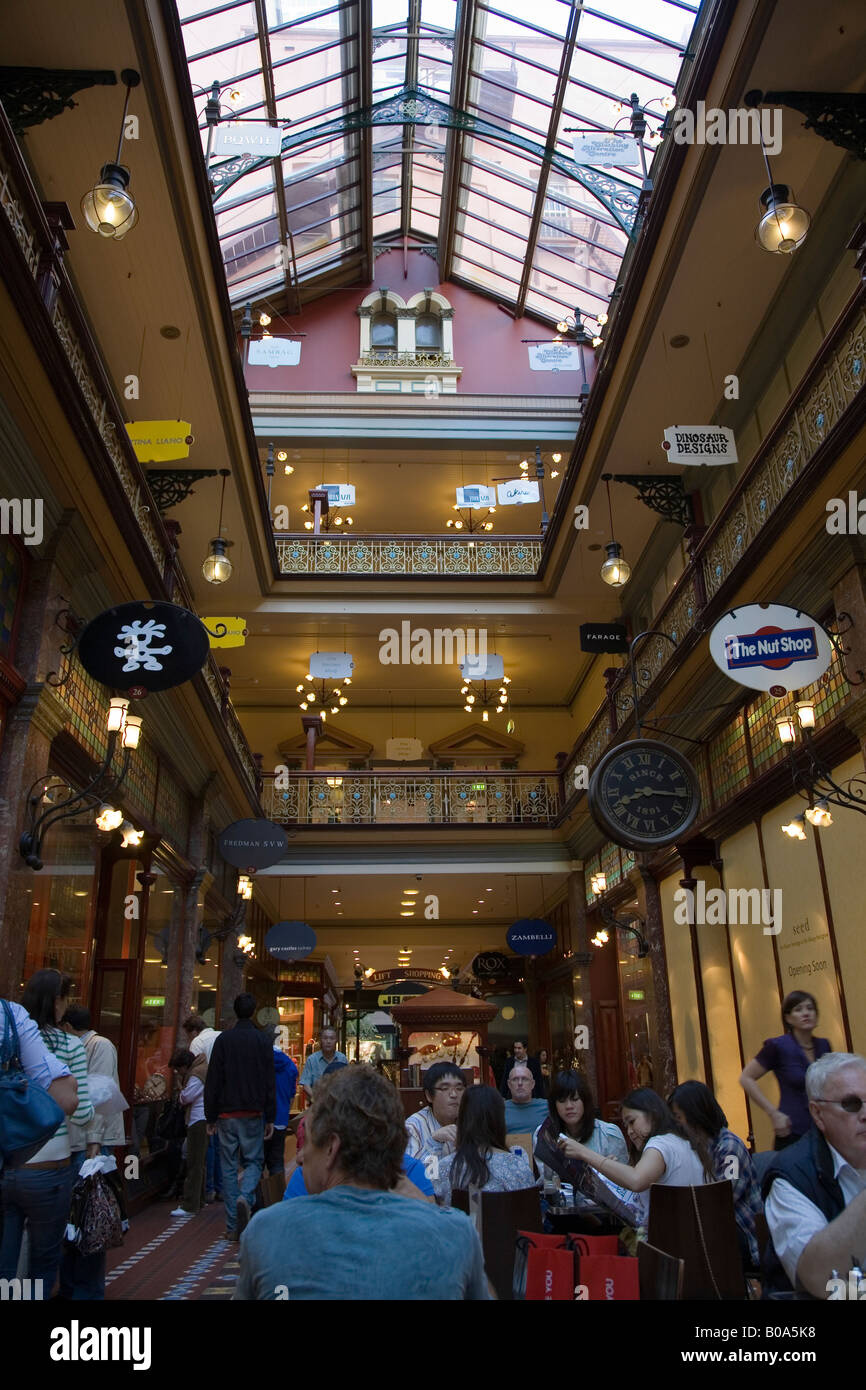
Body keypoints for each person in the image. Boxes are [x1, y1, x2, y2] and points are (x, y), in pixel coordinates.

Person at [233, 1065, 490, 1299]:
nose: (299, 1157)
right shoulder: (456, 1234)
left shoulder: (265, 1232)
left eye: (308, 1143)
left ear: (331, 1148)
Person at [0, 970, 93, 1294]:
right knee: (43, 1260)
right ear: (57, 1001)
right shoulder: (65, 1043)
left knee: (4, 1263)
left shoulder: (11, 1033)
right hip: (47, 1164)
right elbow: (78, 1109)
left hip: (7, 1160)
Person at [762, 1052, 866, 1298]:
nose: (865, 1114)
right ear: (818, 1114)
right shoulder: (790, 1176)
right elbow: (820, 1280)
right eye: (851, 1104)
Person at [557, 1087, 706, 1224]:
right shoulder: (682, 1141)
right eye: (626, 1126)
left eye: (632, 1122)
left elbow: (636, 1179)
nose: (629, 1131)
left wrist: (583, 1152)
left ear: (652, 1113)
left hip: (671, 1240)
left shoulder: (660, 1144)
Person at [61, 1005, 126, 1299]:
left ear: (67, 1026)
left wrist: (94, 1146)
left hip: (89, 1146)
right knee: (72, 1219)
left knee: (90, 1217)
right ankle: (71, 1286)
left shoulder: (99, 1046)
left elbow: (99, 1095)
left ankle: (86, 1291)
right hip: (71, 1143)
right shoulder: (76, 1047)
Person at [203, 994, 275, 1241]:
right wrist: (270, 1116)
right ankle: (247, 1196)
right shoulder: (262, 1040)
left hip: (226, 1113)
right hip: (253, 1112)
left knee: (228, 1166)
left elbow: (213, 1079)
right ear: (254, 1011)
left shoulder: (224, 1040)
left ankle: (233, 1224)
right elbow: (269, 1081)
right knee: (254, 1161)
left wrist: (210, 1116)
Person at [670, 1080, 763, 1268]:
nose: (677, 1124)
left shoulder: (730, 1149)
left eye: (679, 1117)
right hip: (724, 1229)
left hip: (743, 1234)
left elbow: (723, 1199)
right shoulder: (702, 1147)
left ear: (694, 1115)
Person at [739, 991, 832, 1150]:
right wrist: (773, 1113)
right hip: (792, 1129)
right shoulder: (778, 1046)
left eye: (810, 1008)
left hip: (824, 1126)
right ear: (788, 1018)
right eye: (798, 1009)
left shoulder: (824, 1045)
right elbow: (746, 1078)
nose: (806, 1013)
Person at [432, 1084, 538, 1207]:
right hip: (506, 1226)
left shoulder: (443, 1167)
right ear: (499, 1119)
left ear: (462, 1118)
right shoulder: (516, 1165)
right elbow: (530, 1216)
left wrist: (433, 1141)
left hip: (458, 1226)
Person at [533, 1070, 628, 1198]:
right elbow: (549, 1182)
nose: (569, 1106)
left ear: (585, 1101)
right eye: (562, 1101)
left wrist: (609, 1170)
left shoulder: (609, 1134)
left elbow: (625, 1186)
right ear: (554, 1105)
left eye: (575, 1099)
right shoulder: (544, 1135)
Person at [183, 1014, 222, 1201]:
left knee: (208, 1145)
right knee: (221, 1144)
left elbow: (195, 1072)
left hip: (204, 1101)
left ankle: (208, 1188)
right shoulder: (220, 1036)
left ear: (193, 1031)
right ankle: (221, 1187)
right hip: (224, 1097)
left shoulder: (198, 1042)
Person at [169, 1046, 208, 1217]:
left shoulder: (196, 1075)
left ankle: (190, 1204)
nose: (178, 1072)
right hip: (203, 1118)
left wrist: (179, 1089)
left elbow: (186, 1098)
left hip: (198, 1119)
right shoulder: (203, 1068)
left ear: (185, 1065)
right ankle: (199, 1199)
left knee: (194, 1162)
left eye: (178, 1069)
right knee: (199, 1162)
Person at [404, 1061, 465, 1161]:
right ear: (429, 1096)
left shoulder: (471, 1120)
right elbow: (410, 1174)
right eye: (445, 1088)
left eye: (459, 1088)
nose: (454, 1094)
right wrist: (434, 1142)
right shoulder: (413, 1127)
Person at [266, 1032, 299, 1177]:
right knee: (277, 1160)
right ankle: (276, 1195)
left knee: (256, 1162)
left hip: (261, 1119)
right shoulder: (290, 1066)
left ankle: (256, 1198)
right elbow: (292, 1095)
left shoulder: (259, 1062)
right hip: (280, 1119)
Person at [300, 1026, 347, 1101]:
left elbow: (347, 1083)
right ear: (320, 1041)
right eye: (325, 1038)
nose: (328, 1041)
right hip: (316, 1105)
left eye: (332, 1038)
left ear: (336, 1041)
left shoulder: (342, 1059)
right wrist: (317, 1100)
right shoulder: (312, 1060)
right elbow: (306, 1085)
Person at [503, 1063, 549, 1132]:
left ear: (532, 1084)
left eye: (524, 1079)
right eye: (515, 1079)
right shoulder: (499, 1108)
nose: (520, 1083)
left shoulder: (547, 1106)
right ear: (509, 1084)